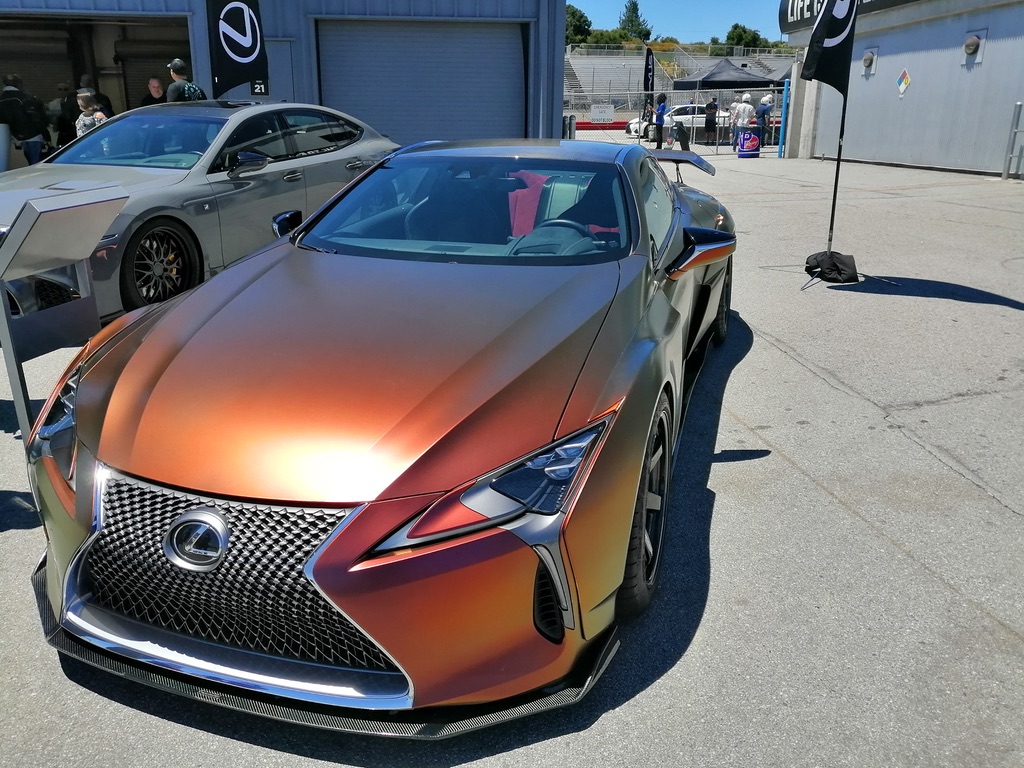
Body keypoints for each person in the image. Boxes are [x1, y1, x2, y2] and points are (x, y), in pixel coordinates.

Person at [0, 74, 50, 164]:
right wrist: (46, 134)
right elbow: (35, 117)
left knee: (30, 160)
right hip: (33, 134)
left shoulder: (2, 98)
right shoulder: (24, 97)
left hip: (16, 136)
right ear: (18, 83)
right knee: (37, 162)